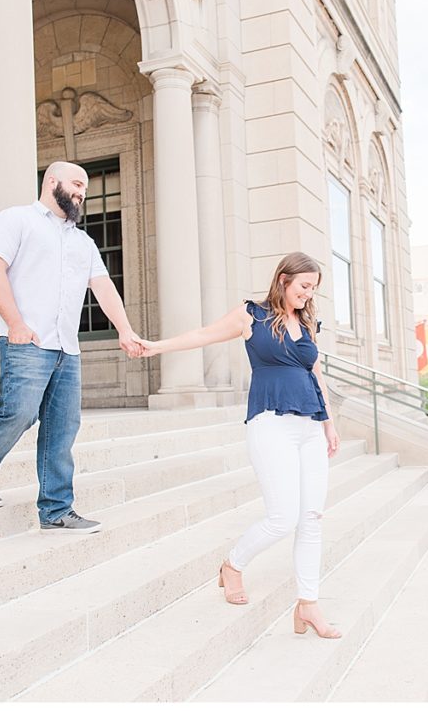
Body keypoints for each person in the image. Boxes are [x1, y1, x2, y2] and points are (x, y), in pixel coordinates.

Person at [139, 251, 342, 639]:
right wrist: (156, 346)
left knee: (311, 518)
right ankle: (232, 565)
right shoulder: (253, 315)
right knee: (283, 516)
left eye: (313, 288)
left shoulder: (308, 321)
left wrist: (329, 425)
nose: (308, 294)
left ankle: (308, 605)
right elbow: (202, 335)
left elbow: (317, 374)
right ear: (283, 278)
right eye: (303, 286)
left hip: (310, 427)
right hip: (271, 424)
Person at [0, 161, 144, 533]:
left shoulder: (82, 241)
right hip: (26, 340)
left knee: (63, 427)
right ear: (52, 181)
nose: (82, 192)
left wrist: (124, 330)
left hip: (67, 348)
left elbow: (103, 288)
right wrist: (15, 324)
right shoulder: (17, 220)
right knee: (20, 413)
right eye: (77, 183)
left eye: (86, 188)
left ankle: (57, 510)